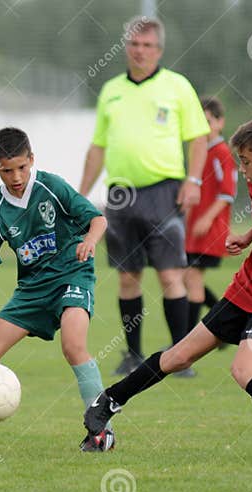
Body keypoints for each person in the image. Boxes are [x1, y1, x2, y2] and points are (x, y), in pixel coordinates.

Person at [84, 117, 252, 459]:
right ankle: (110, 400)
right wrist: (247, 237)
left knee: (243, 369)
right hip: (245, 289)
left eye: (246, 162)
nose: (242, 170)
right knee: (178, 355)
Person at [0, 127, 113, 452]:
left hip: (72, 275)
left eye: (21, 167)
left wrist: (89, 241)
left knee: (73, 345)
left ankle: (102, 429)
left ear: (31, 159)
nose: (16, 176)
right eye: (7, 170)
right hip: (32, 289)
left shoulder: (51, 186)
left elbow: (97, 219)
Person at [79, 15, 209, 377]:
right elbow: (98, 148)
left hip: (165, 190)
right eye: (134, 44)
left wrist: (193, 180)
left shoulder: (177, 86)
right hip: (120, 196)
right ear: (126, 48)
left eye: (147, 45)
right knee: (127, 278)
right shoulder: (111, 91)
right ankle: (133, 354)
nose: (140, 51)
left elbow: (198, 138)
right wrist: (79, 197)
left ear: (159, 50)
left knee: (171, 275)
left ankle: (180, 356)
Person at [184, 97, 237, 335]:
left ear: (220, 122)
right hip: (195, 228)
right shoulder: (200, 151)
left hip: (210, 229)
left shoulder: (221, 153)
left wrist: (206, 218)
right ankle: (223, 328)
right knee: (188, 277)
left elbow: (228, 192)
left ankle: (184, 340)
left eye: (207, 121)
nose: (204, 127)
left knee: (192, 277)